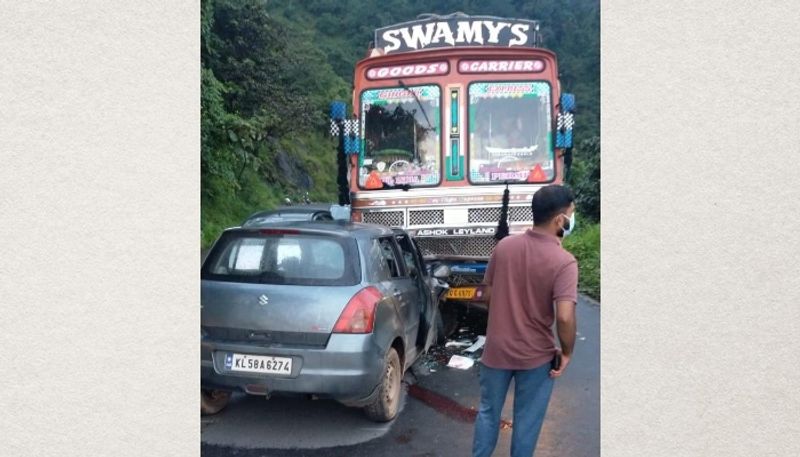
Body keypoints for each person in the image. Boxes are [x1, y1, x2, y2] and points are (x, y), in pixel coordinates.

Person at [472, 184, 579, 457]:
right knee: (526, 423)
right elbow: (565, 316)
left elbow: (486, 294)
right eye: (571, 214)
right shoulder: (564, 262)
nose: (571, 220)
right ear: (559, 220)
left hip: (496, 351)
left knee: (487, 414)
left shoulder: (504, 247)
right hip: (536, 357)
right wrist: (566, 352)